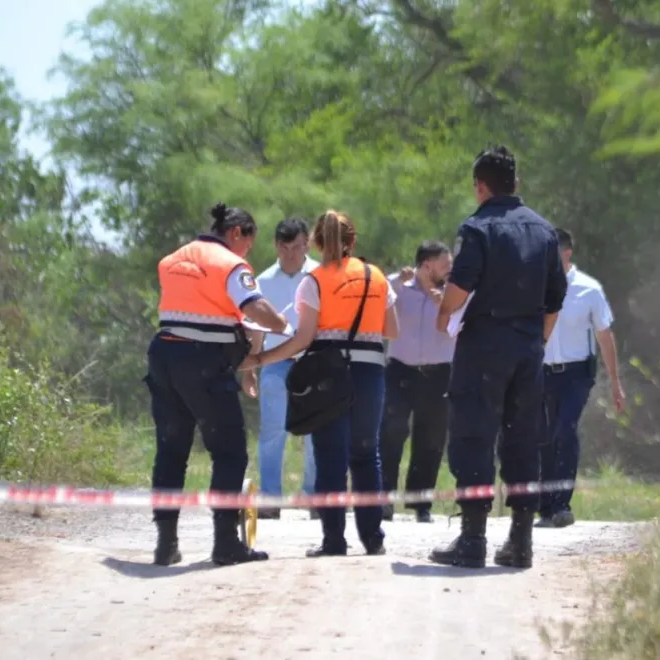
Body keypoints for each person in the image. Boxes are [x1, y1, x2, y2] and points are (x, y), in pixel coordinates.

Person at [429, 145, 568, 570]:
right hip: (528, 348)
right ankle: (520, 542)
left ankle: (473, 540)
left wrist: (444, 314)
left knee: (473, 434)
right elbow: (555, 299)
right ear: (516, 183)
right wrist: (537, 340)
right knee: (523, 437)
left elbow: (460, 287)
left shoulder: (477, 228)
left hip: (484, 346)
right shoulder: (545, 232)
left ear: (480, 186)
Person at [239, 210, 399, 557]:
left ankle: (334, 541)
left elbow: (303, 339)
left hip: (330, 376)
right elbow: (392, 330)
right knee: (366, 453)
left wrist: (260, 359)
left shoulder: (314, 282)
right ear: (353, 241)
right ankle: (373, 539)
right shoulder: (375, 276)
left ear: (316, 243)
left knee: (330, 457)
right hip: (370, 372)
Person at [146, 202, 288, 567]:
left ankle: (165, 544)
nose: (247, 254)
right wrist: (282, 325)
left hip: (164, 356)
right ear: (236, 233)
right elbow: (255, 308)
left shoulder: (172, 259)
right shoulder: (231, 264)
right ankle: (225, 544)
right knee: (230, 453)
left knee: (171, 451)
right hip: (203, 361)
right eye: (248, 245)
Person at [537, 228, 626, 529]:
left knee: (565, 429)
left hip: (576, 374)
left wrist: (615, 381)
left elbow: (604, 335)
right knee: (544, 436)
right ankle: (546, 506)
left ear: (567, 253)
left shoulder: (589, 290)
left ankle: (562, 504)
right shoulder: (533, 287)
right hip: (542, 371)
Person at [379, 240, 455, 524]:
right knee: (391, 431)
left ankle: (421, 503)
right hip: (401, 370)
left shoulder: (453, 293)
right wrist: (398, 279)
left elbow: (461, 328)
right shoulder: (400, 288)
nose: (449, 269)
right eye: (444, 265)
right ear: (427, 265)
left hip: (439, 372)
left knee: (432, 437)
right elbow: (378, 293)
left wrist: (443, 305)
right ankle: (384, 498)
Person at [254, 217, 319, 520]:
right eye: (284, 247)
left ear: (307, 244)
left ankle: (314, 497)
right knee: (272, 431)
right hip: (275, 361)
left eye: (296, 247)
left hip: (313, 362)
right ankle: (270, 499)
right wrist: (250, 366)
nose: (290, 254)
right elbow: (255, 327)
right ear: (276, 246)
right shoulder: (263, 281)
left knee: (316, 431)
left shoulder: (319, 276)